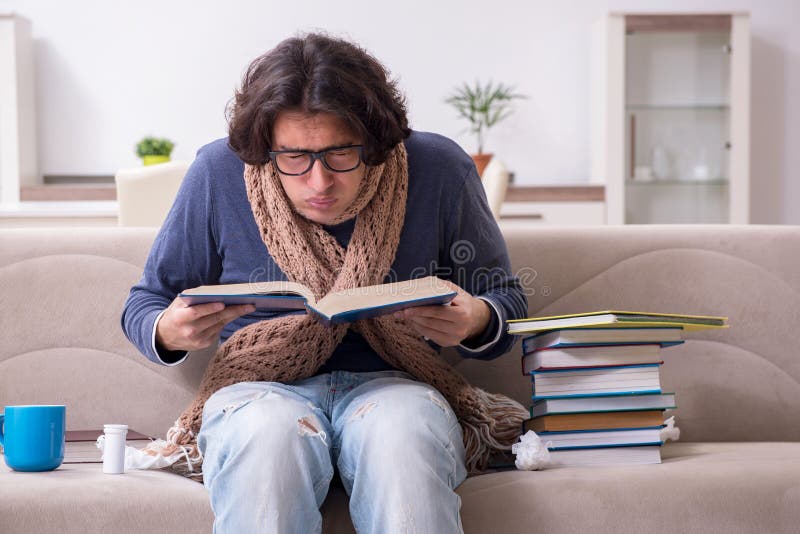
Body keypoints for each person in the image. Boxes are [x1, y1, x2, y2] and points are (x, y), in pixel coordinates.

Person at [121, 32, 527, 534]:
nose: (318, 182)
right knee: (267, 438)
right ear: (265, 148)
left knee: (400, 435)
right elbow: (146, 301)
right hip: (258, 391)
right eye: (293, 158)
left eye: (341, 155)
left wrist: (477, 320)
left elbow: (508, 299)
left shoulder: (438, 168)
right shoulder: (218, 172)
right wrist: (168, 330)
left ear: (377, 142)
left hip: (399, 386)